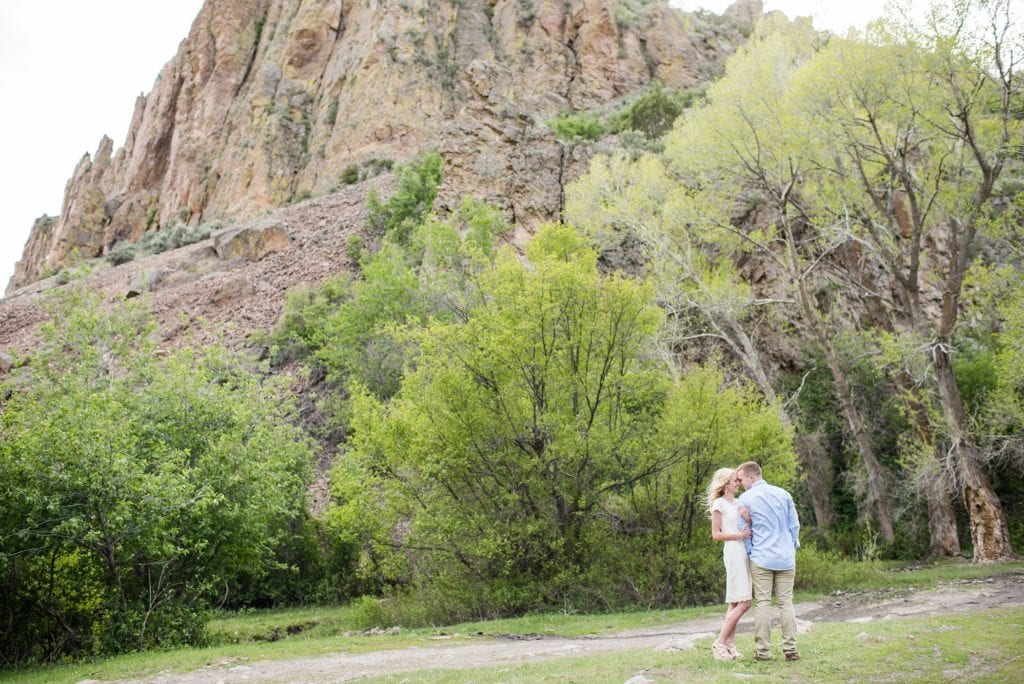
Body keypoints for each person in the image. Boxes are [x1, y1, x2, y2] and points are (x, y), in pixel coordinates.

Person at [735, 460, 801, 661]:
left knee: (763, 602)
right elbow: (794, 525)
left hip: (761, 557)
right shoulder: (784, 494)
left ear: (751, 477)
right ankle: (791, 649)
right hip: (786, 558)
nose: (740, 483)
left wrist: (751, 552)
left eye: (741, 479)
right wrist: (791, 548)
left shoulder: (745, 499)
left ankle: (763, 651)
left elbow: (743, 531)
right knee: (786, 603)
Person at [707, 467, 752, 660]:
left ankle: (730, 646)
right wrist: (739, 536)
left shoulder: (739, 502)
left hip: (745, 551)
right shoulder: (719, 504)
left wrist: (746, 517)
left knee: (735, 601)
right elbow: (716, 534)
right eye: (735, 480)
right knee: (745, 602)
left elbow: (748, 526)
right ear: (726, 483)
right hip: (733, 552)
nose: (738, 483)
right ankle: (719, 643)